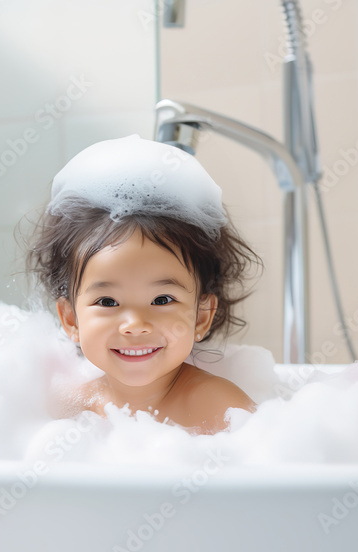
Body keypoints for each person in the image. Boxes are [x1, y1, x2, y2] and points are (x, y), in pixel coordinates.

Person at [24, 135, 261, 435]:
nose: (135, 325)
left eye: (162, 300)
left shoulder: (222, 410)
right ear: (71, 319)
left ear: (201, 316)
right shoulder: (69, 408)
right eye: (108, 302)